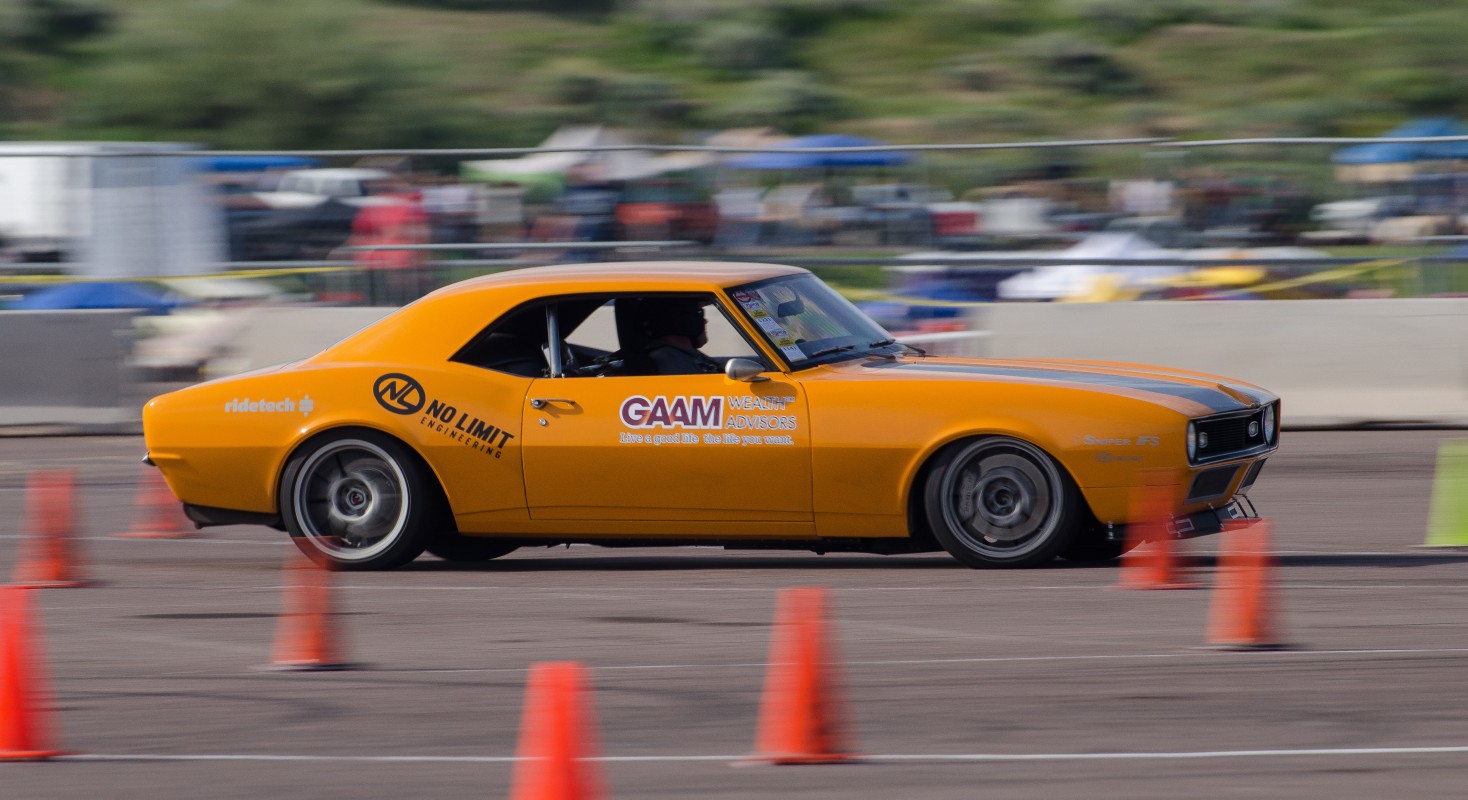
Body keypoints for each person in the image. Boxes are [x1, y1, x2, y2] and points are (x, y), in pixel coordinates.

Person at [641, 298, 723, 375]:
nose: (705, 321)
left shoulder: (684, 354)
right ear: (683, 320)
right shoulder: (670, 361)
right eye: (698, 313)